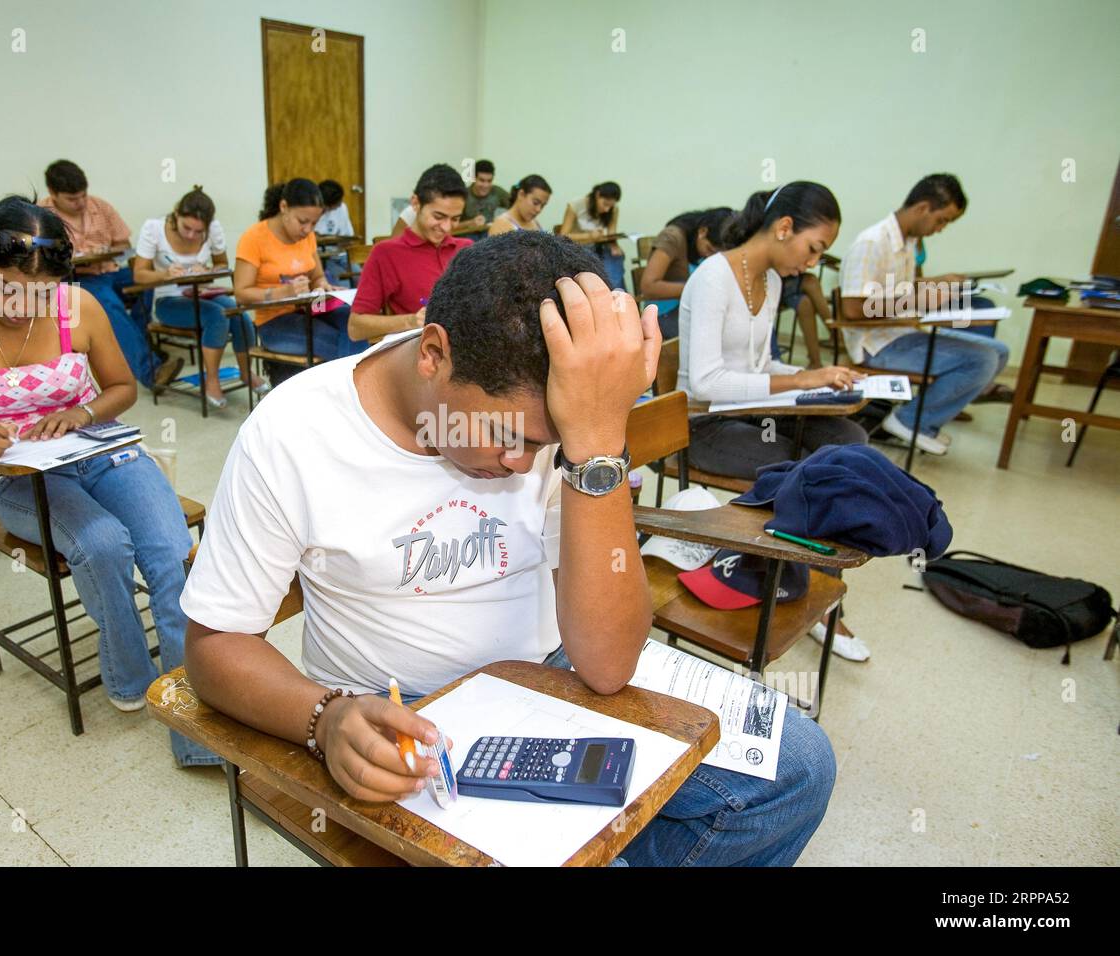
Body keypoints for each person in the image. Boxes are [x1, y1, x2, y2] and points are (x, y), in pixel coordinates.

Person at [180, 231, 837, 866]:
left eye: (546, 445)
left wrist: (594, 452)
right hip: (407, 713)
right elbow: (215, 648)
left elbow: (607, 663)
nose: (523, 464)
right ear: (433, 353)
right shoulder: (294, 433)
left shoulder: (571, 428)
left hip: (550, 675)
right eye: (507, 434)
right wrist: (323, 718)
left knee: (802, 769)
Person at [0, 196, 213, 767]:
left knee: (171, 554)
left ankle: (197, 720)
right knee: (101, 543)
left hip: (102, 454)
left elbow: (122, 388)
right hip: (22, 476)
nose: (24, 307)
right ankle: (130, 674)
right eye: (9, 289)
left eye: (41, 292)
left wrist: (84, 413)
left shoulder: (79, 305)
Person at [680, 185, 872, 662]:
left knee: (849, 440)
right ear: (784, 227)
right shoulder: (712, 278)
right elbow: (706, 381)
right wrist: (802, 378)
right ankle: (796, 583)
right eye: (813, 249)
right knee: (805, 471)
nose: (810, 263)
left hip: (749, 412)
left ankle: (792, 571)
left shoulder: (773, 283)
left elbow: (760, 365)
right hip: (705, 424)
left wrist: (824, 379)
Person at [838, 173, 1010, 456]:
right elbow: (853, 308)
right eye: (942, 220)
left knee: (999, 352)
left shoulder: (908, 243)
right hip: (877, 344)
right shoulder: (872, 243)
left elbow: (899, 289)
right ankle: (910, 421)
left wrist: (938, 282)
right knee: (982, 360)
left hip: (904, 331)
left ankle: (920, 415)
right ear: (922, 208)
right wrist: (913, 300)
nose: (941, 229)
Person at [40, 159, 183, 393]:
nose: (80, 203)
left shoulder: (100, 206)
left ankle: (137, 346)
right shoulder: (43, 216)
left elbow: (124, 244)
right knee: (108, 303)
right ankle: (152, 370)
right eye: (72, 199)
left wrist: (105, 252)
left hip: (110, 270)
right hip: (78, 277)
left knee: (147, 280)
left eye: (83, 196)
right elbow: (44, 259)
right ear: (53, 193)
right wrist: (77, 255)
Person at [132, 186, 267, 410]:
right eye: (187, 228)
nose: (192, 235)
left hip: (201, 293)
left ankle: (245, 372)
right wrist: (165, 274)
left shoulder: (213, 228)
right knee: (216, 316)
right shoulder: (154, 228)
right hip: (169, 301)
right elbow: (139, 275)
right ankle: (211, 380)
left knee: (238, 315)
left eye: (198, 232)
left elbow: (222, 263)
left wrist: (206, 270)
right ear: (176, 213)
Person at [232, 179, 360, 378]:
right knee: (339, 343)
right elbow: (241, 294)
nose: (308, 230)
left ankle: (350, 392)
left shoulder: (307, 237)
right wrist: (283, 292)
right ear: (283, 207)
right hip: (274, 322)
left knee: (354, 322)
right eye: (302, 222)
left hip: (311, 309)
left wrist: (322, 285)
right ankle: (350, 394)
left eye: (314, 223)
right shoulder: (254, 238)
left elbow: (317, 275)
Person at [349, 164, 471, 342]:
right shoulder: (387, 253)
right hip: (424, 351)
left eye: (455, 219)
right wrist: (412, 320)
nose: (446, 227)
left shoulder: (466, 248)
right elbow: (355, 327)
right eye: (438, 217)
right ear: (415, 203)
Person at [640, 207, 732, 339]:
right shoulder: (672, 237)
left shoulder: (698, 245)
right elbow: (648, 287)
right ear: (702, 232)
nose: (709, 256)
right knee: (710, 338)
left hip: (689, 308)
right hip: (663, 314)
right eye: (709, 249)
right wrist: (696, 288)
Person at [559, 181, 625, 291]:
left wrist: (614, 245)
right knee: (592, 256)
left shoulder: (613, 210)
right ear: (597, 195)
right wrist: (589, 236)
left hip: (599, 246)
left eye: (610, 206)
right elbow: (563, 236)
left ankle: (616, 291)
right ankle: (611, 291)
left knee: (616, 256)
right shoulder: (576, 205)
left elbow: (611, 234)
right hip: (579, 247)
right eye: (605, 204)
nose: (607, 209)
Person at [315, 179, 354, 286]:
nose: (339, 204)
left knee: (362, 279)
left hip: (342, 255)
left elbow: (348, 238)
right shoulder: (313, 211)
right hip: (324, 259)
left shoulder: (341, 208)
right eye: (337, 203)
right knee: (344, 284)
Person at [486, 174, 551, 236]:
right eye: (535, 203)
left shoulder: (535, 223)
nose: (538, 209)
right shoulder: (500, 225)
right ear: (521, 194)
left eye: (543, 205)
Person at [461, 159, 509, 234]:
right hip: (468, 236)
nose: (486, 185)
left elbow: (515, 207)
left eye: (489, 181)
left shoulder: (498, 192)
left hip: (490, 234)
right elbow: (451, 226)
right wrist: (470, 223)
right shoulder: (463, 196)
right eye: (481, 180)